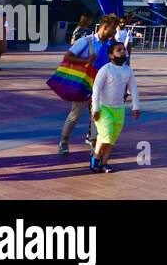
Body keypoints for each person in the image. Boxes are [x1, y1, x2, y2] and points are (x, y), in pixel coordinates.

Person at [58, 14, 118, 155]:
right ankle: (64, 141)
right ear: (105, 27)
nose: (115, 32)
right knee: (75, 115)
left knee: (97, 115)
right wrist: (86, 60)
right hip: (84, 83)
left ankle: (94, 143)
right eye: (113, 29)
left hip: (102, 86)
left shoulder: (110, 45)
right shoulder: (86, 41)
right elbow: (67, 57)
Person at [89, 40, 140, 173]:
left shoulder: (127, 70)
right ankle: (95, 158)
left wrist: (136, 107)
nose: (122, 51)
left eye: (123, 49)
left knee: (112, 137)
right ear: (111, 55)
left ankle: (104, 163)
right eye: (119, 50)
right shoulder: (105, 69)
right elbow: (96, 89)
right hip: (103, 108)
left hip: (119, 109)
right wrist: (95, 109)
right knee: (105, 134)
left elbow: (133, 89)